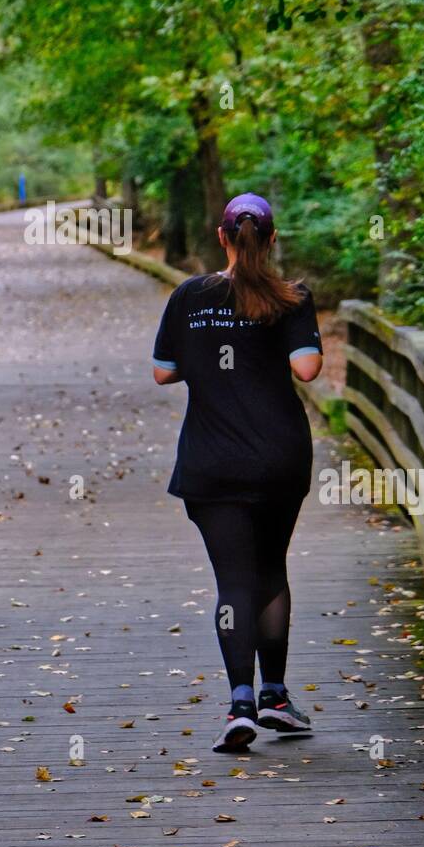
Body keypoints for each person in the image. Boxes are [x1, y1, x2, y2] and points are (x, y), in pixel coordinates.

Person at [152, 193, 323, 753]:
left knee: (233, 581)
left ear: (221, 237)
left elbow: (162, 372)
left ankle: (240, 705)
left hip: (211, 461)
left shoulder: (190, 296)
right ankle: (275, 695)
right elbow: (308, 367)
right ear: (271, 239)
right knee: (270, 569)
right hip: (278, 458)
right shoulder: (291, 297)